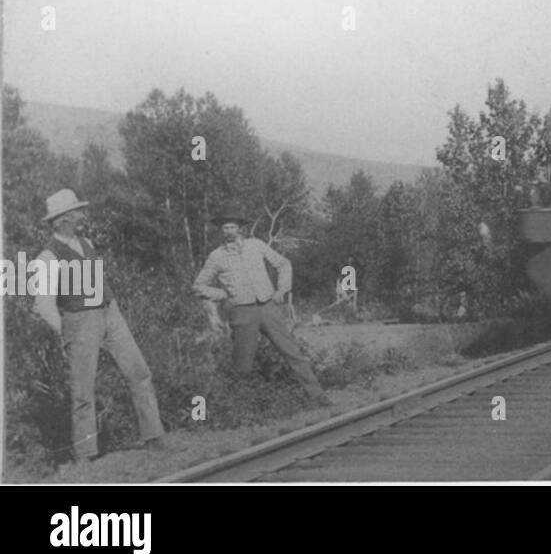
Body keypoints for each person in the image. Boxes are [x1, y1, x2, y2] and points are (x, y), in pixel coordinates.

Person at [31, 189, 165, 462]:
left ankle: (154, 437)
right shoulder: (48, 256)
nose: (82, 215)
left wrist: (111, 308)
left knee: (139, 372)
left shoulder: (87, 243)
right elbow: (42, 305)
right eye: (77, 211)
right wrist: (67, 331)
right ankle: (86, 455)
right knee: (83, 392)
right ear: (65, 218)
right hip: (79, 321)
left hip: (109, 312)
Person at [192, 207, 329, 406]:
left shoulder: (256, 245)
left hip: (268, 307)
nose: (228, 231)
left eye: (232, 227)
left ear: (240, 229)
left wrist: (282, 289)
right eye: (224, 228)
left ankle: (317, 396)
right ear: (221, 232)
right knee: (243, 364)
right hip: (242, 312)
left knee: (292, 352)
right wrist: (223, 294)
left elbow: (283, 264)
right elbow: (198, 286)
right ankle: (240, 408)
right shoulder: (217, 256)